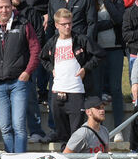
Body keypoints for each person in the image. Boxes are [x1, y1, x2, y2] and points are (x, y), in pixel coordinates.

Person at [0, 0, 39, 153]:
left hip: (18, 82)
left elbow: (35, 50)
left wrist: (27, 72)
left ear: (12, 6)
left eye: (7, 6)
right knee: (5, 128)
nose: (4, 10)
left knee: (18, 126)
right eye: (1, 7)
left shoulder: (23, 24)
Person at [42, 8, 101, 144]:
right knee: (62, 135)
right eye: (64, 24)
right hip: (58, 92)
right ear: (56, 25)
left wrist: (86, 68)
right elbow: (43, 58)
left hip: (76, 92)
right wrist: (52, 69)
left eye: (69, 23)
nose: (67, 27)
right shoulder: (52, 42)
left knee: (76, 135)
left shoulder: (80, 40)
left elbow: (99, 54)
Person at [88, 0, 126, 129]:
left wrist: (107, 1)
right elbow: (91, 24)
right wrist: (108, 24)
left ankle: (119, 128)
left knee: (116, 88)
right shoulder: (89, 0)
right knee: (97, 89)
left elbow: (119, 19)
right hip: (97, 49)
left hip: (115, 49)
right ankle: (97, 127)